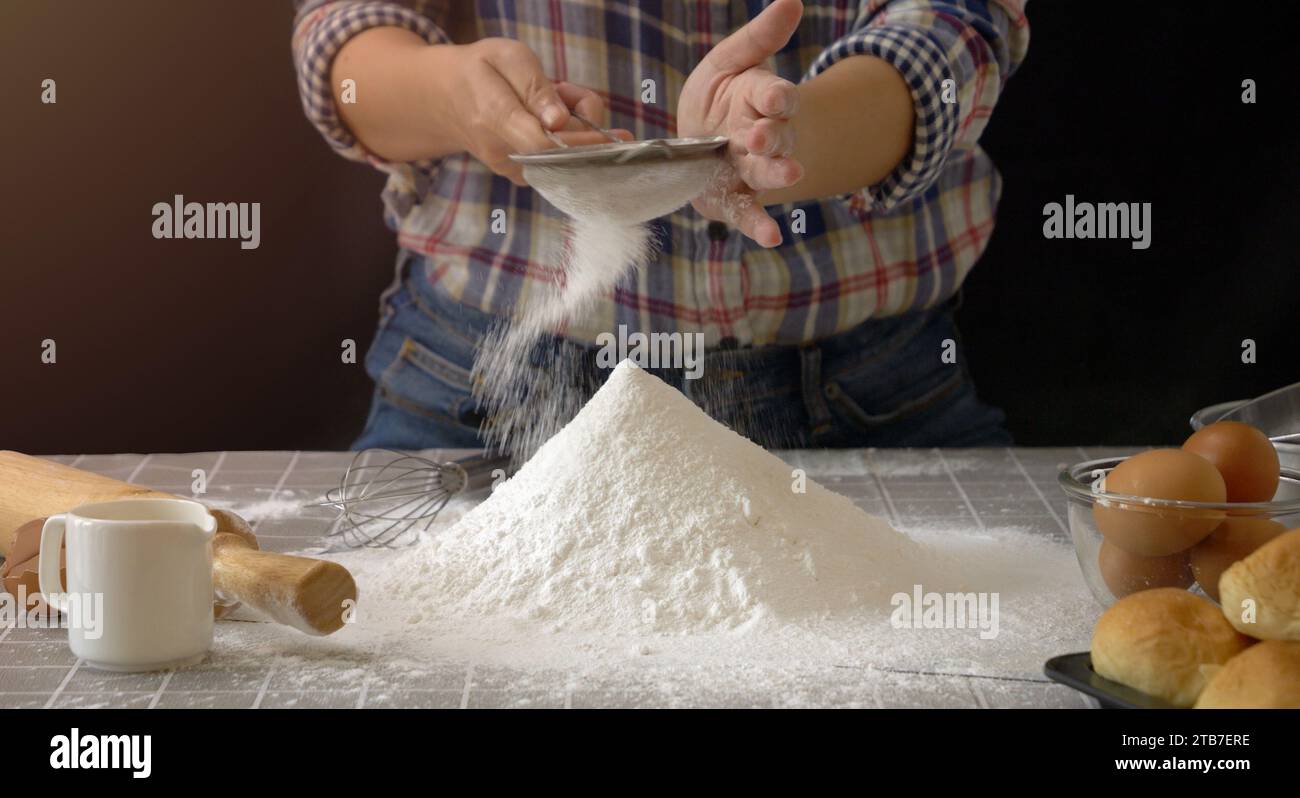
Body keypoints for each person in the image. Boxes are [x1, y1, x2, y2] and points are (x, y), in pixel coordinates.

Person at [291, 0, 1029, 453]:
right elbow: (344, 34)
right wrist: (461, 98)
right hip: (483, 383)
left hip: (866, 395)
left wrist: (787, 136)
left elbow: (958, 26)